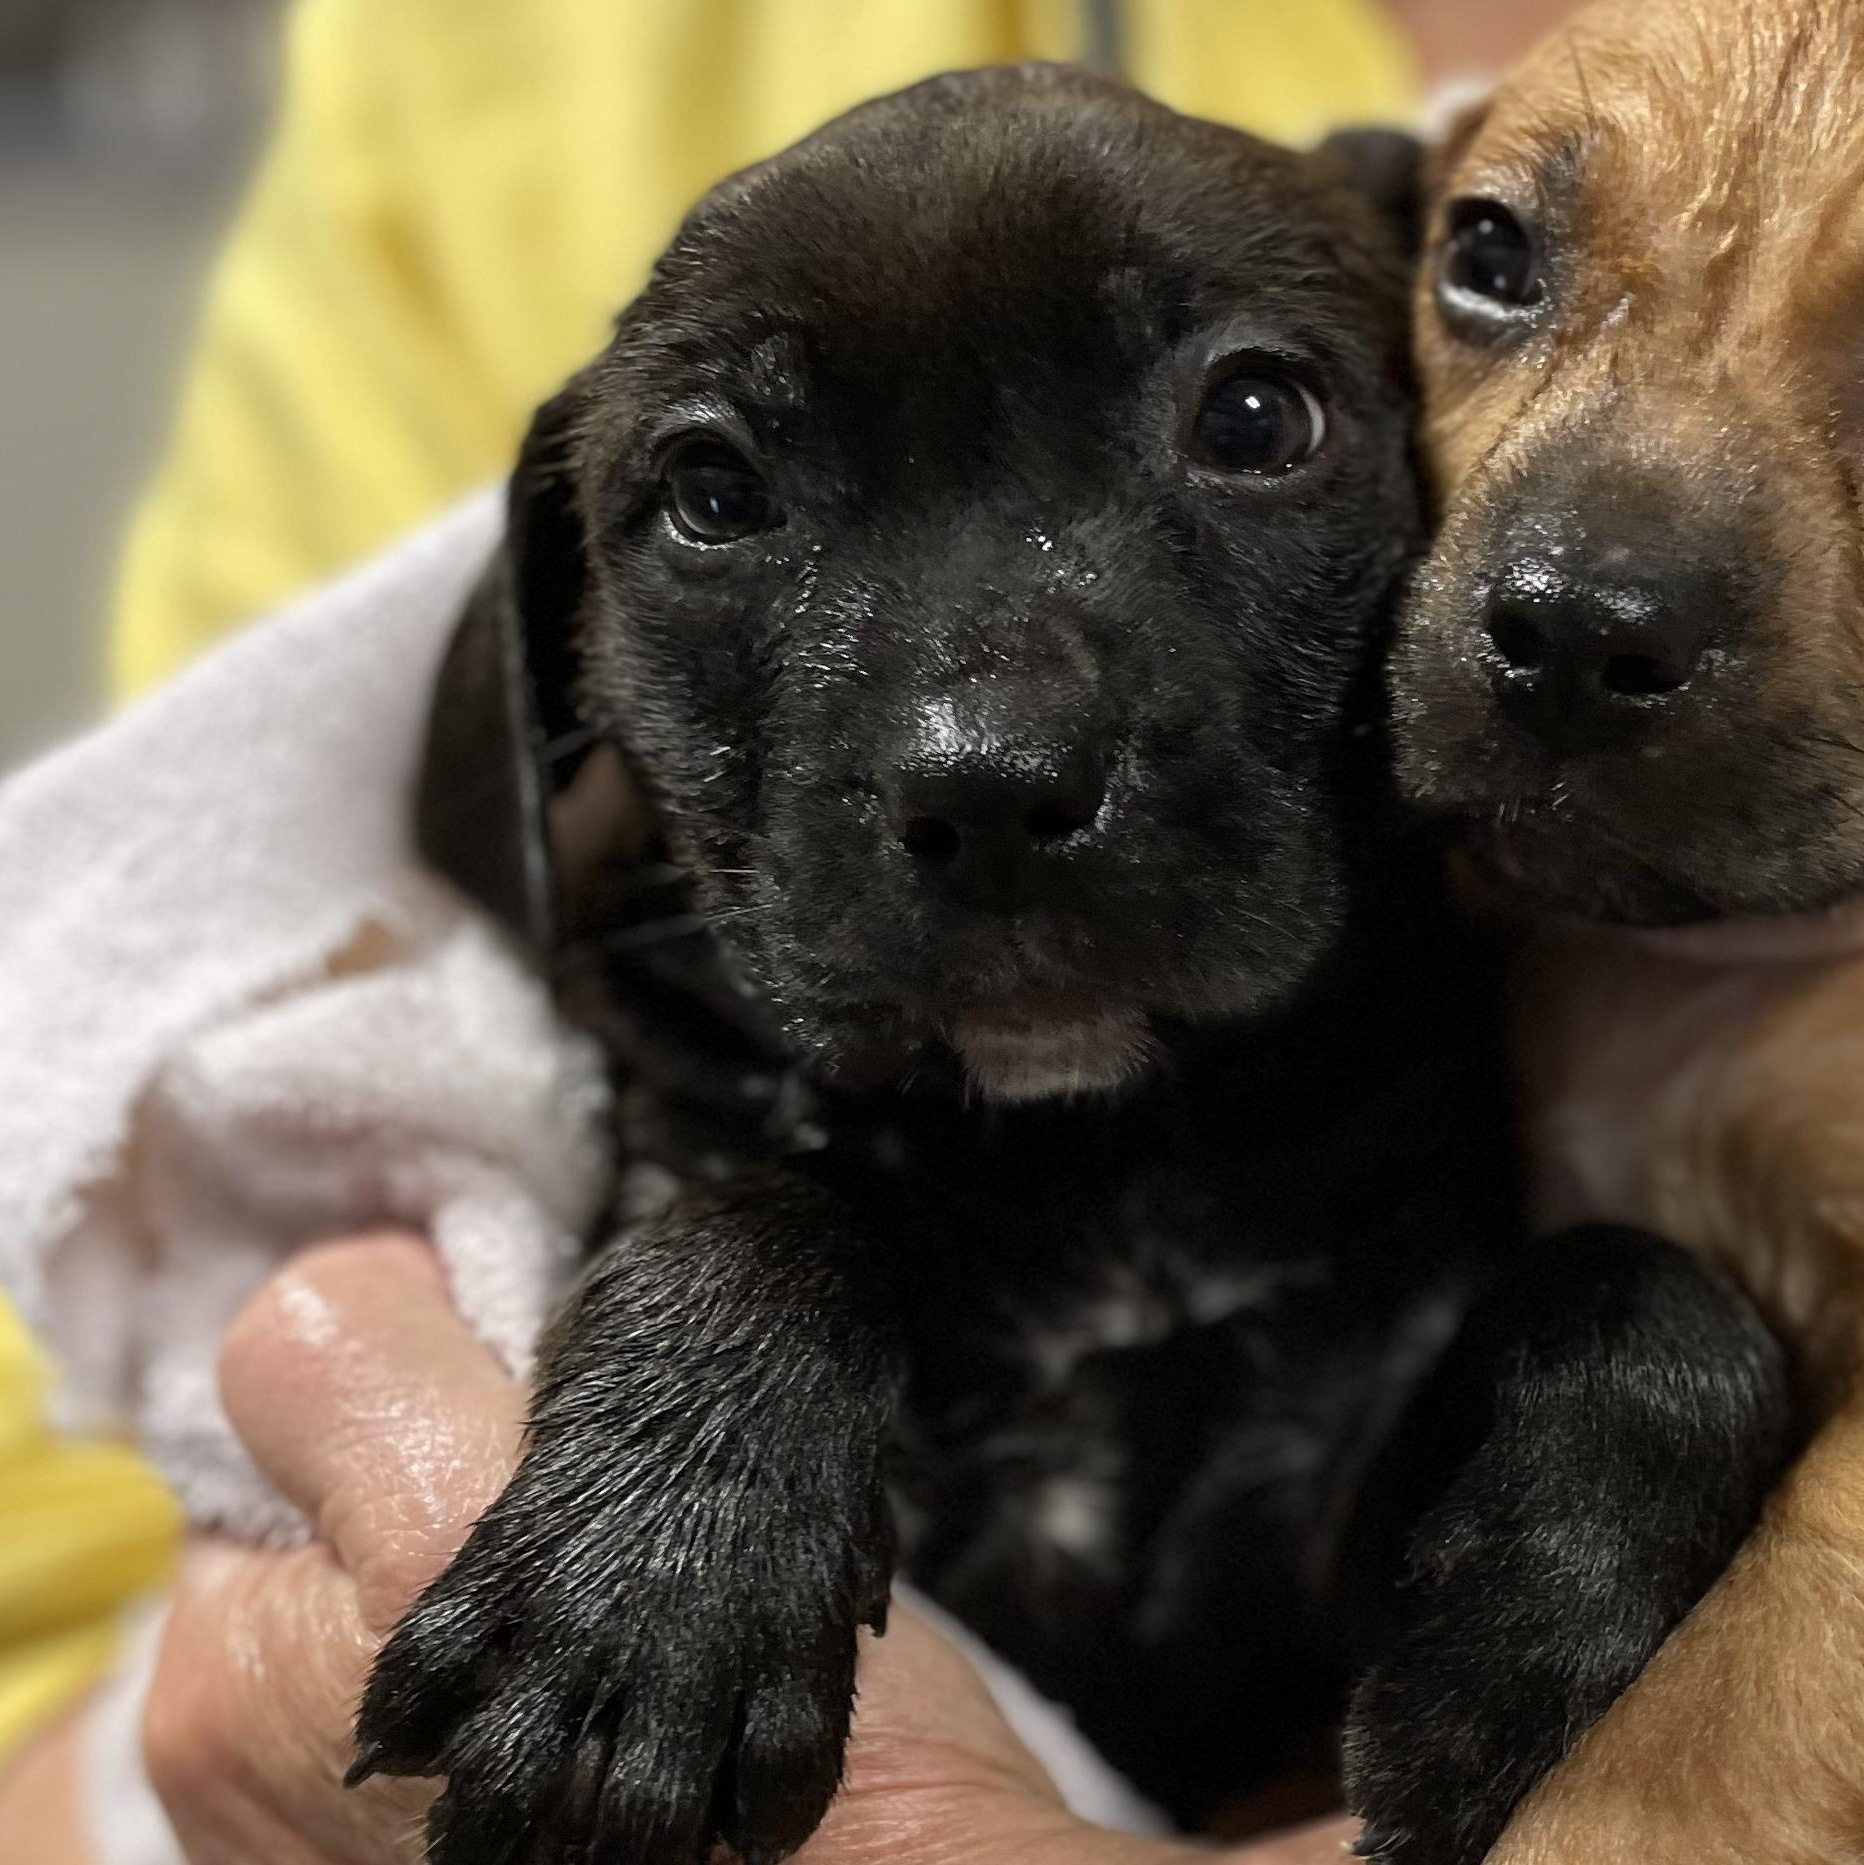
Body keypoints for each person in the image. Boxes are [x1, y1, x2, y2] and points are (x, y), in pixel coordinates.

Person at [0, 0, 1576, 1851]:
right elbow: (61, 1570)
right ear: (544, 666)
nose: (976, 734)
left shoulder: (1485, 1086)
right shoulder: (479, 69)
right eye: (719, 495)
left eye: (1250, 423)